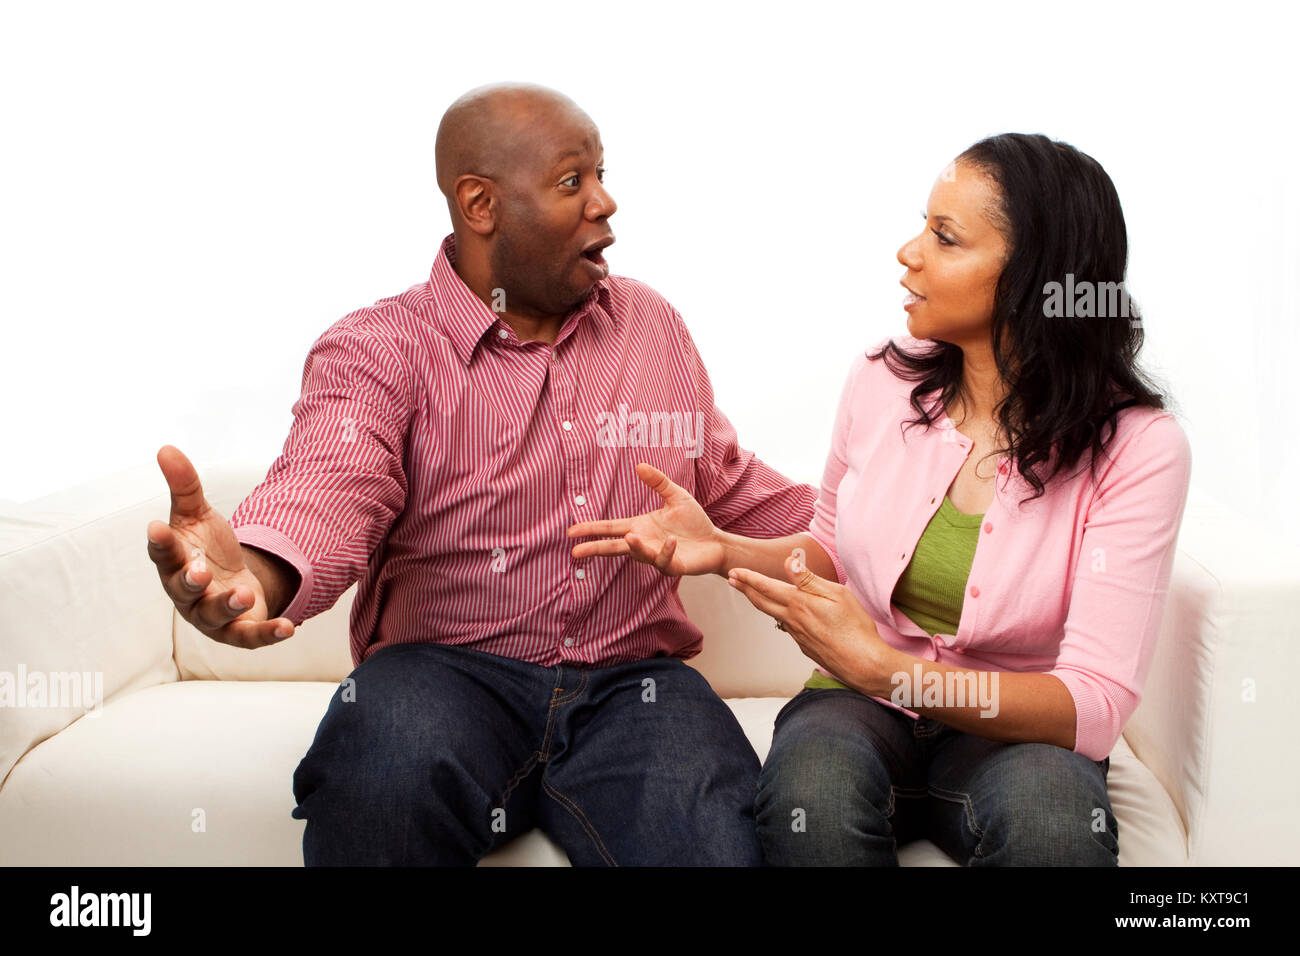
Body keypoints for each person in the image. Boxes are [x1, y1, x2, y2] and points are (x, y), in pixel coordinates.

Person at [144, 82, 819, 866]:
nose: (606, 203)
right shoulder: (382, 347)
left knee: (713, 839)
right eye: (574, 181)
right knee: (377, 779)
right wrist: (258, 570)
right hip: (443, 674)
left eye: (601, 175)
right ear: (480, 203)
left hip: (634, 687)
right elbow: (331, 485)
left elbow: (729, 484)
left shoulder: (650, 325)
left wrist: (910, 534)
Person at [567, 133, 1193, 866]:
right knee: (813, 804)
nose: (909, 252)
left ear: (1033, 278)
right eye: (923, 224)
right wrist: (725, 550)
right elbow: (830, 552)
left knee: (1055, 829)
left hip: (1013, 729)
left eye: (945, 237)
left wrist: (891, 671)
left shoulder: (1139, 448)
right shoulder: (880, 381)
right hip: (857, 706)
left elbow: (1094, 705)